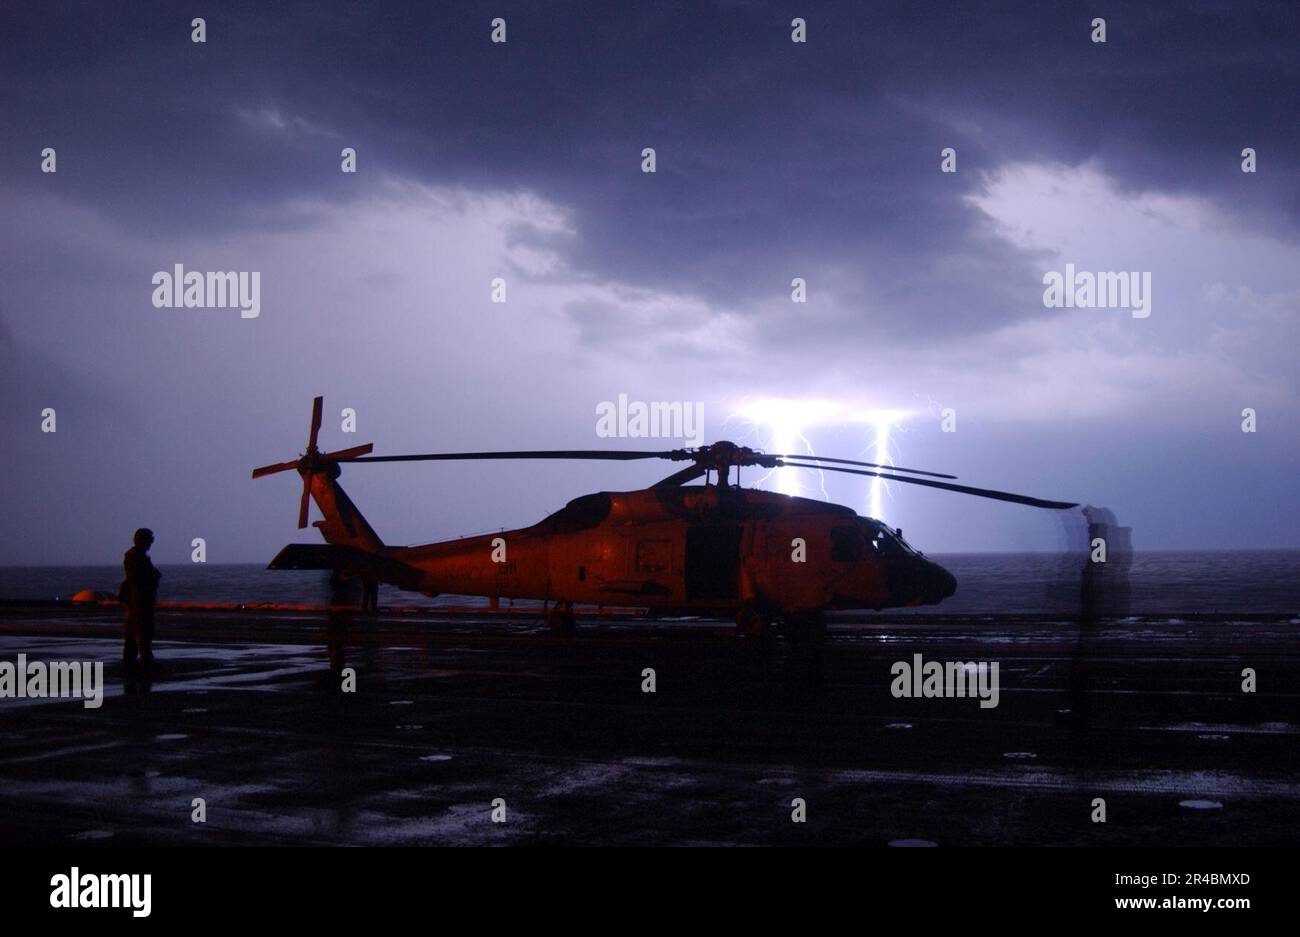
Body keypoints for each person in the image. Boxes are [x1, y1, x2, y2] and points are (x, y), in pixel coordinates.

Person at [122, 528, 161, 669]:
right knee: (142, 630)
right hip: (140, 599)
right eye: (150, 539)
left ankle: (132, 660)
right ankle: (144, 660)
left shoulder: (137, 556)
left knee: (136, 631)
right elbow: (139, 578)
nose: (151, 543)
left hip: (140, 599)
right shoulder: (135, 556)